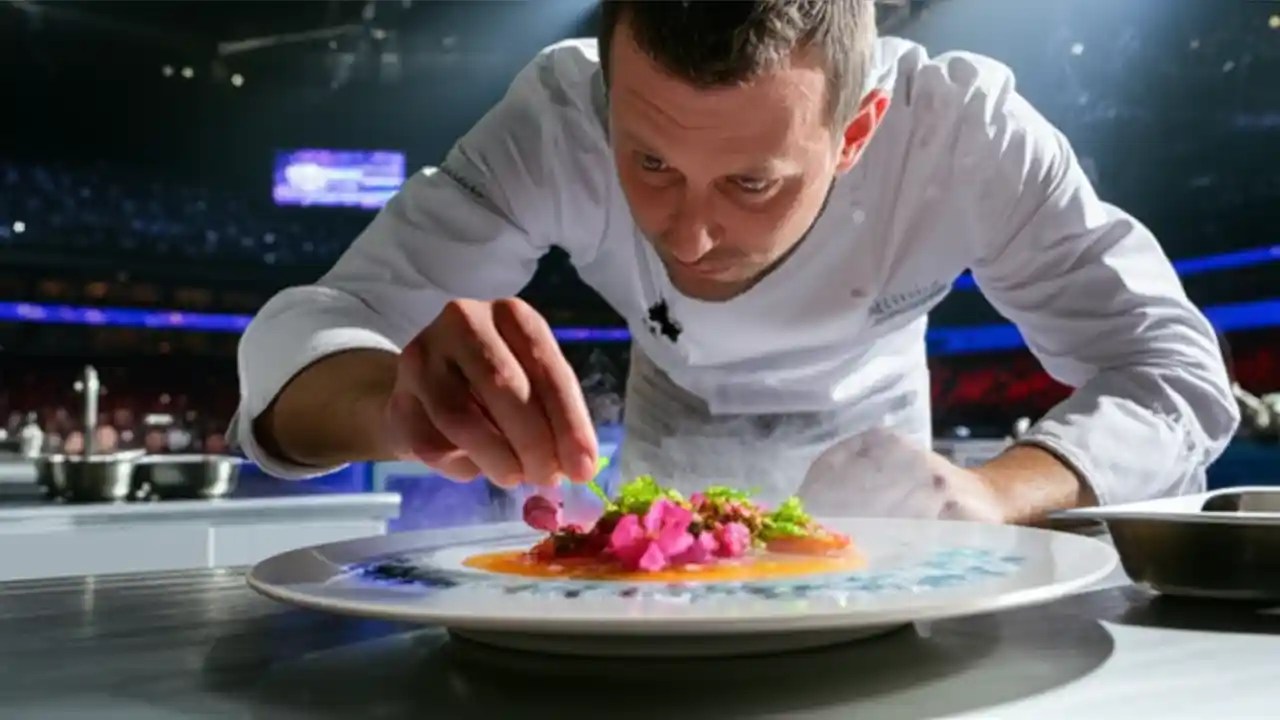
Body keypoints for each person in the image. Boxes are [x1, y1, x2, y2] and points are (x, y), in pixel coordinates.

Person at [231, 0, 1238, 524]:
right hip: (667, 442)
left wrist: (996, 491)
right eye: (651, 160)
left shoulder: (962, 132)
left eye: (751, 182)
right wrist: (393, 401)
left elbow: (1175, 376)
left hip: (890, 472)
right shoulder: (556, 117)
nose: (687, 235)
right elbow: (312, 330)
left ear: (857, 131)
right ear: (608, 102)